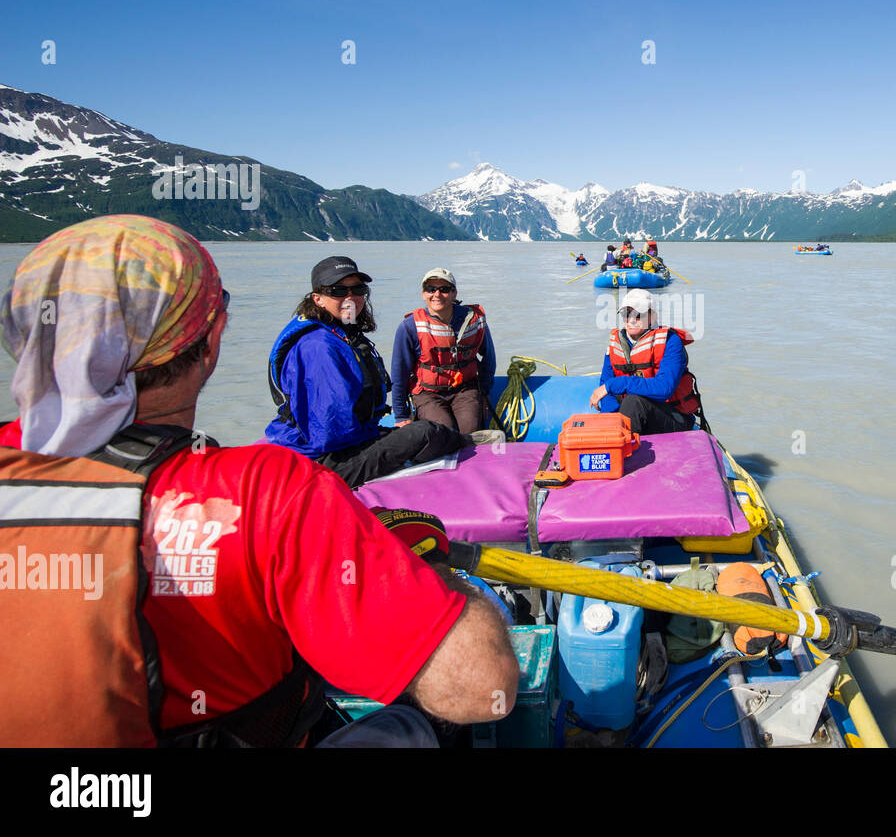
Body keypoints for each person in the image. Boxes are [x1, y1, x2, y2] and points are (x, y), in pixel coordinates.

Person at [0, 215, 518, 747]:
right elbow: (481, 687)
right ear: (212, 338)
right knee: (414, 724)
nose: (351, 298)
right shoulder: (272, 494)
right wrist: (421, 569)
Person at [265, 257, 496, 488]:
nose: (351, 298)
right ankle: (464, 444)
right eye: (338, 291)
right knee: (425, 434)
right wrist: (392, 433)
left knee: (426, 433)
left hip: (344, 443)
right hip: (322, 462)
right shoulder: (319, 347)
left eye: (358, 290)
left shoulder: (337, 334)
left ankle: (463, 442)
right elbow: (330, 432)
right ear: (318, 299)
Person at [391, 268, 497, 435]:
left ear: (454, 293)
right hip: (427, 393)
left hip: (464, 389)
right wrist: (400, 414)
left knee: (470, 432)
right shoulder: (410, 326)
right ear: (423, 294)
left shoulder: (474, 320)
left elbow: (489, 358)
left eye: (444, 289)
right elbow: (399, 372)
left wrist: (483, 390)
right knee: (442, 432)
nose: (437, 294)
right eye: (431, 289)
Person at [588, 288, 702, 435]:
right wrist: (609, 420)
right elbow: (606, 387)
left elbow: (664, 389)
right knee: (619, 408)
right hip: (634, 413)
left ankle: (626, 451)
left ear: (652, 316)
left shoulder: (671, 342)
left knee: (633, 402)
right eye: (626, 313)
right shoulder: (615, 345)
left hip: (673, 416)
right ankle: (612, 443)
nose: (631, 319)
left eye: (638, 315)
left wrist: (618, 384)